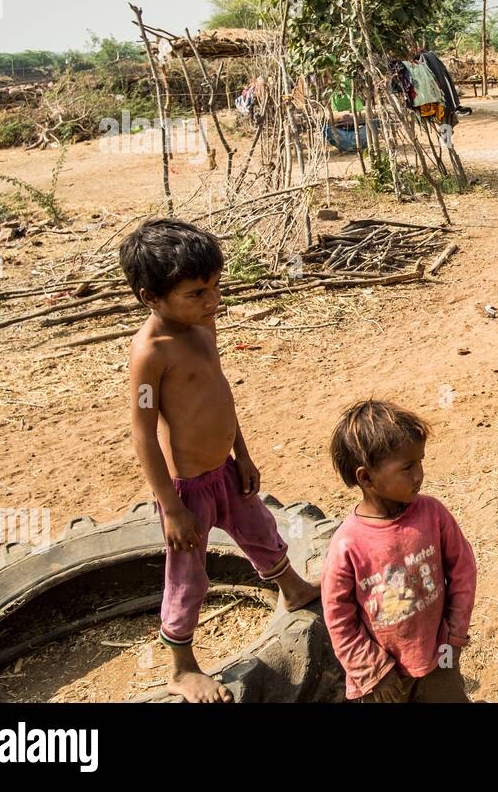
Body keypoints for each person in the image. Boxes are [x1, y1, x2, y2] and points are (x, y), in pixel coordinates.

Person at [119, 219, 319, 703]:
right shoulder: (150, 354)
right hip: (187, 488)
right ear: (151, 297)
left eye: (215, 287)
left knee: (261, 530)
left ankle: (293, 589)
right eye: (196, 293)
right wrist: (170, 506)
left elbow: (220, 394)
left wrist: (243, 454)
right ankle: (182, 667)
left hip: (225, 472)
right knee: (188, 576)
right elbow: (143, 434)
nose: (212, 301)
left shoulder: (202, 325)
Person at [321, 400, 476, 703]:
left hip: (438, 657)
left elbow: (463, 570)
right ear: (365, 477)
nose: (419, 474)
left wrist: (454, 635)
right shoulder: (347, 544)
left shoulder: (432, 514)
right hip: (383, 678)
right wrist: (372, 671)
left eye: (420, 461)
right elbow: (339, 618)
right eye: (407, 467)